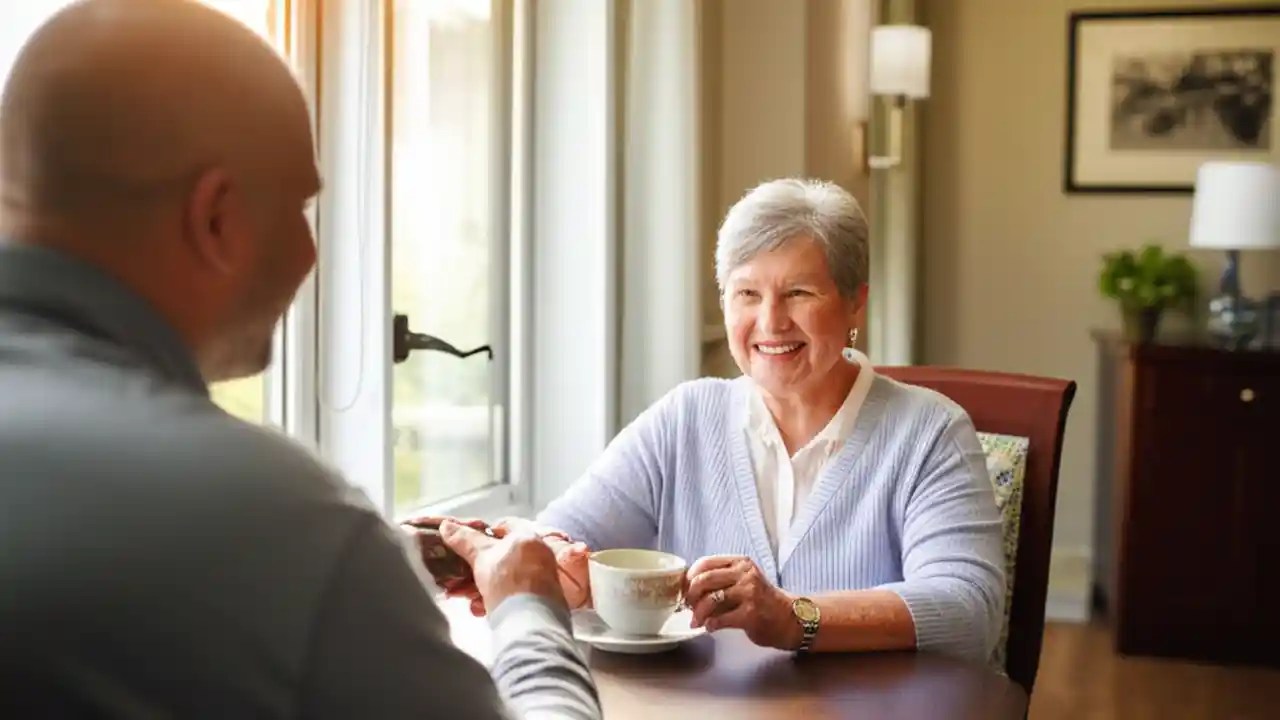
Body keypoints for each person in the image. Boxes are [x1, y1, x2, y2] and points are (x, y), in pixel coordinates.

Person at [0, 1, 599, 718]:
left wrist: (382, 561)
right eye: (300, 209)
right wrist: (528, 613)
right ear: (216, 218)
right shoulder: (276, 521)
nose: (311, 257)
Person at [522, 178, 1005, 662]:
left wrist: (793, 617)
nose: (771, 322)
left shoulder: (930, 432)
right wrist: (549, 560)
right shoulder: (684, 418)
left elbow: (969, 610)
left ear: (855, 301)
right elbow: (559, 535)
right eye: (747, 293)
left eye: (798, 292)